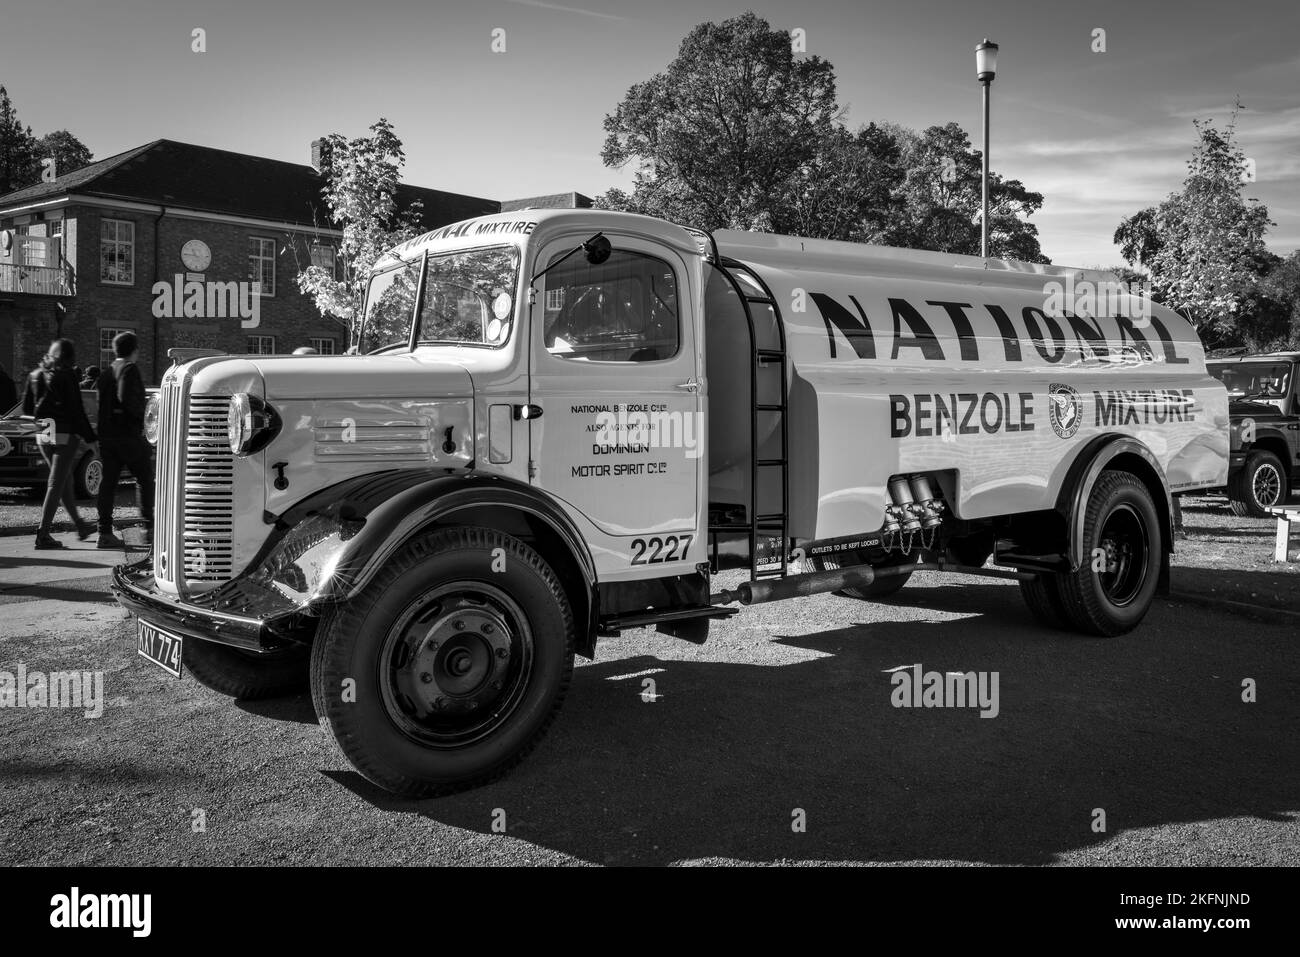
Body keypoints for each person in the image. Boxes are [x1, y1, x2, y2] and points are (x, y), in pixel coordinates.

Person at [22, 339, 97, 549]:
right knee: (57, 482)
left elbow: (28, 407)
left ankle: (80, 525)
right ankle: (43, 533)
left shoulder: (35, 374)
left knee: (64, 480)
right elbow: (76, 409)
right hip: (64, 432)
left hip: (44, 428)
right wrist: (90, 438)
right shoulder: (68, 374)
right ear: (69, 356)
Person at [95, 331, 154, 549]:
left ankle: (104, 531)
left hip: (108, 437)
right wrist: (142, 420)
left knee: (108, 484)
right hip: (127, 436)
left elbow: (101, 408)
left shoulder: (106, 373)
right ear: (134, 350)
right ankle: (148, 529)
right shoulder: (130, 369)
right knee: (145, 479)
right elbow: (130, 401)